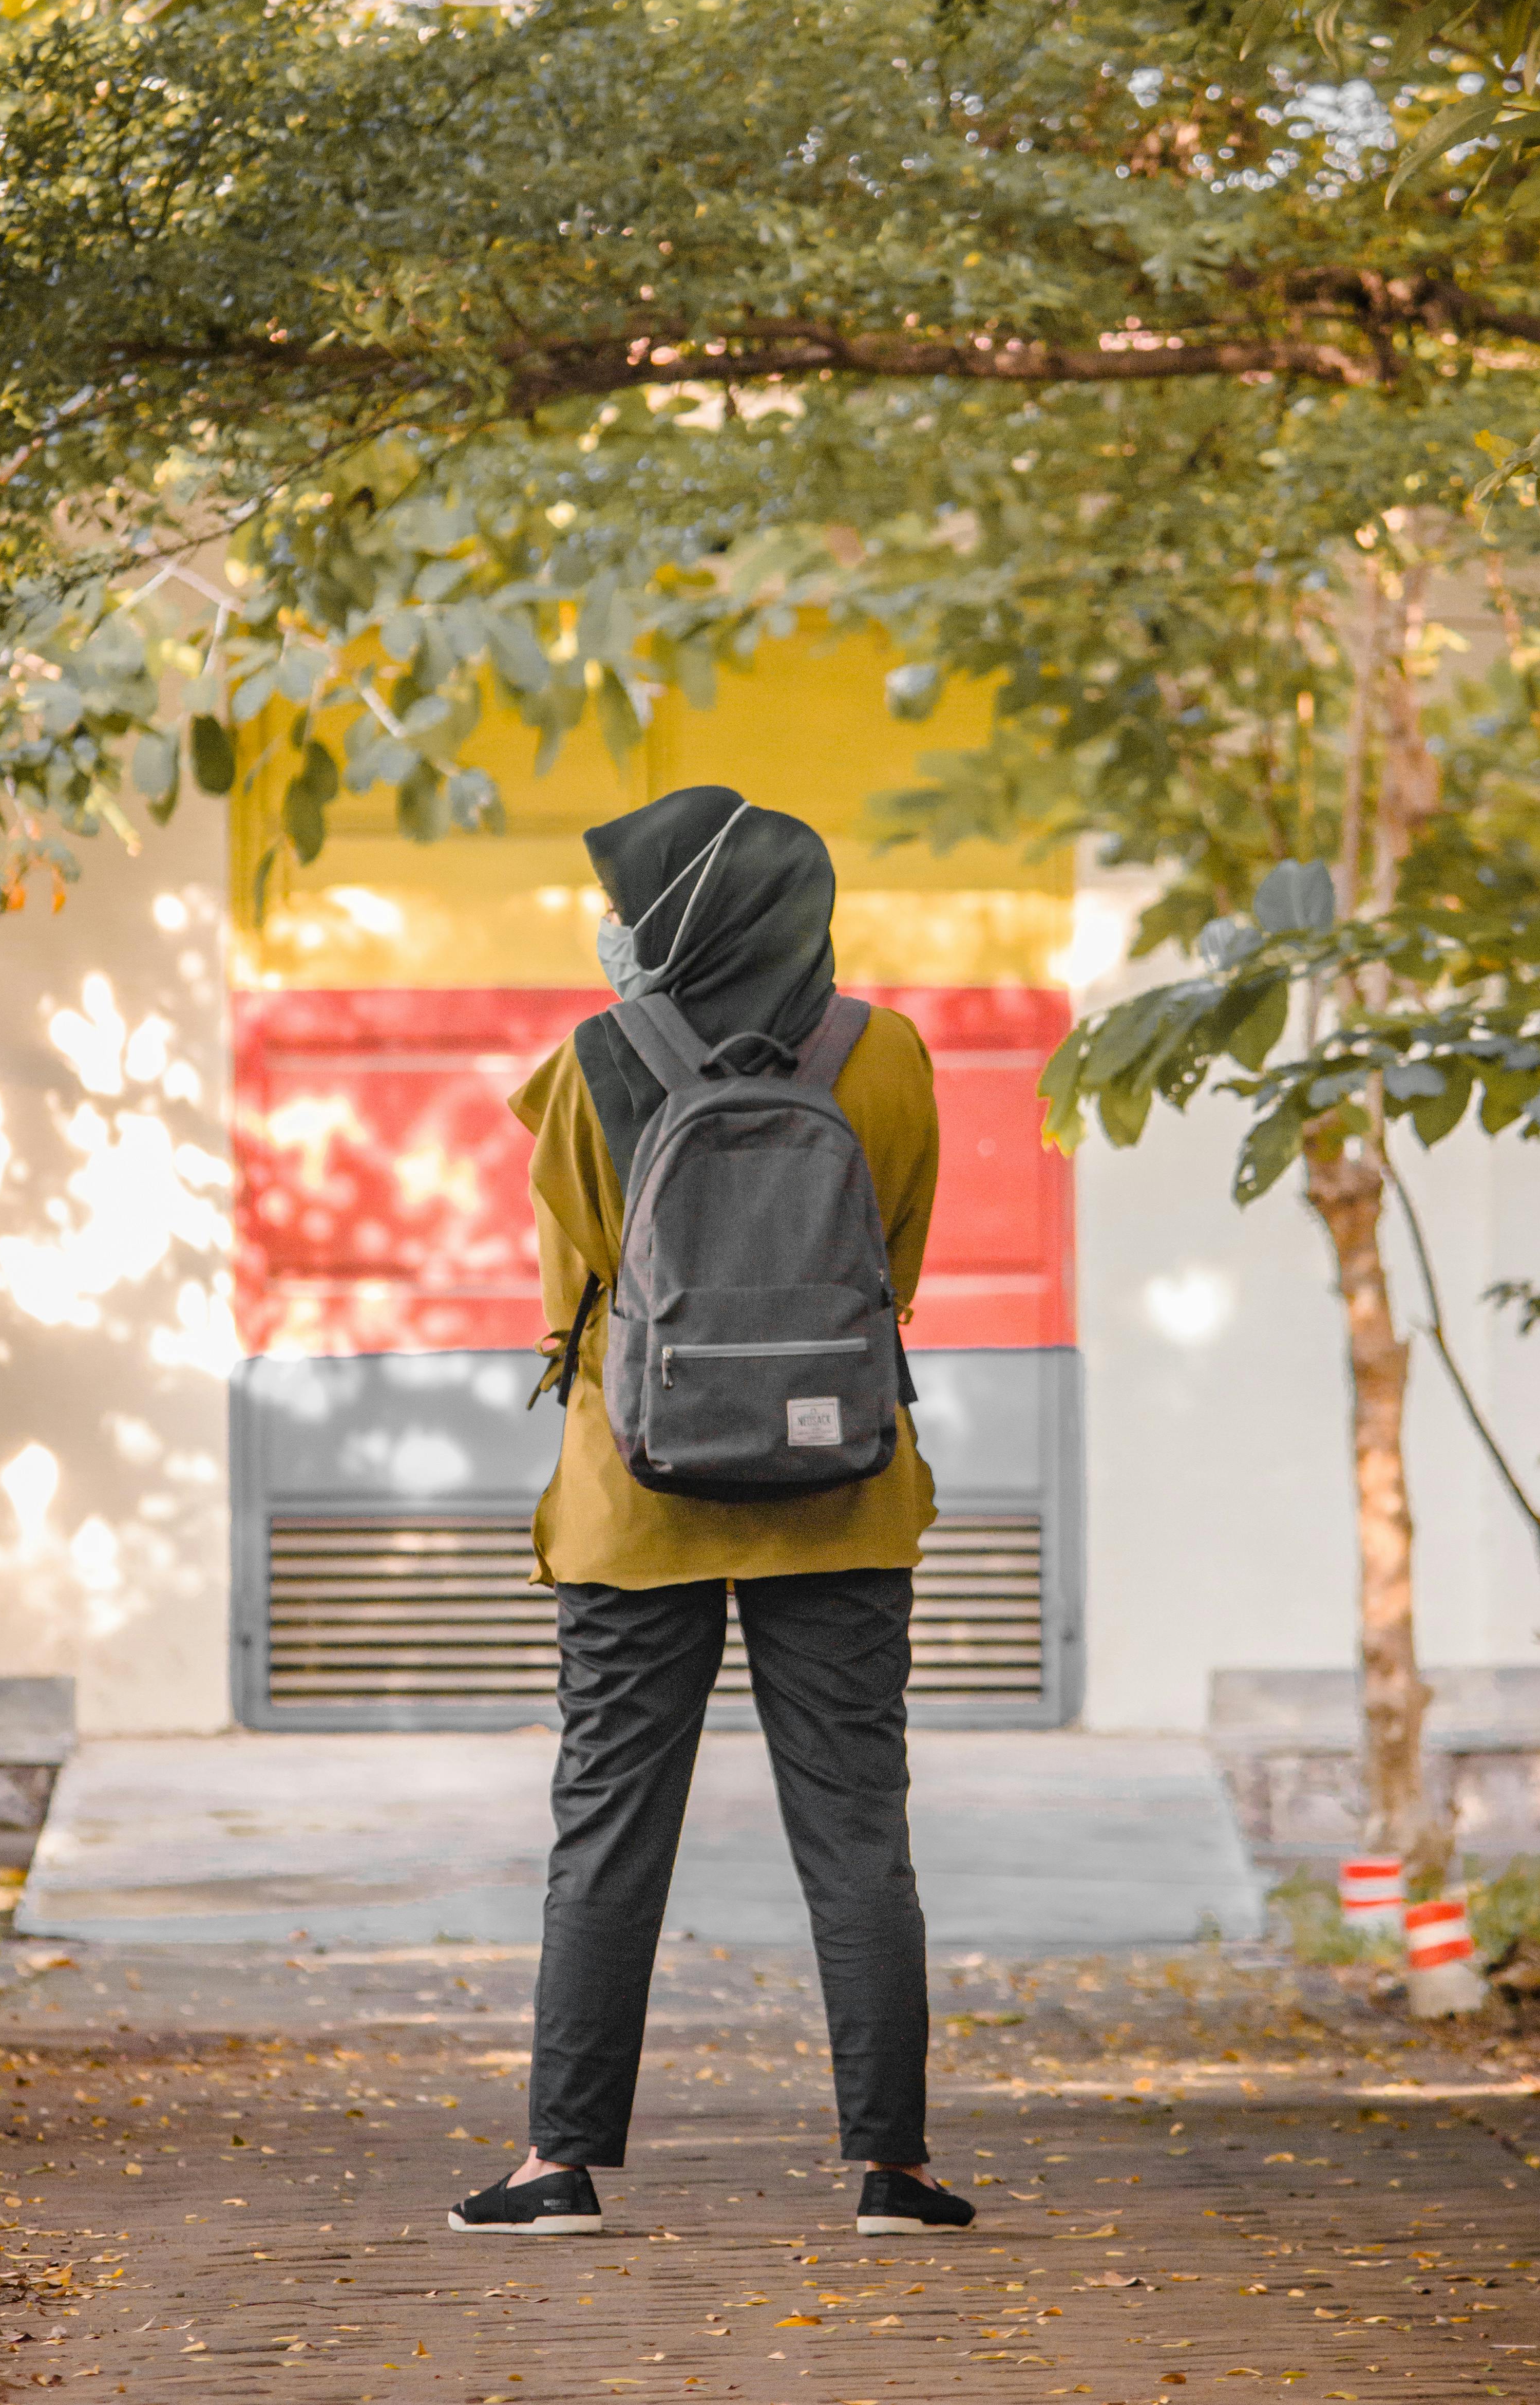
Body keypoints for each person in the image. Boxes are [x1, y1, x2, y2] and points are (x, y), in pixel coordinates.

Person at [449, 785, 974, 2239]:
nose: (614, 927)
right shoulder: (888, 1056)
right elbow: (900, 1257)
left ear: (679, 914)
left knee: (609, 1824)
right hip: (843, 1492)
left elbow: (576, 1285)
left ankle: (559, 2163)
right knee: (861, 1830)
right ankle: (896, 2171)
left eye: (630, 902)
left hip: (638, 1500)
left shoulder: (592, 1059)